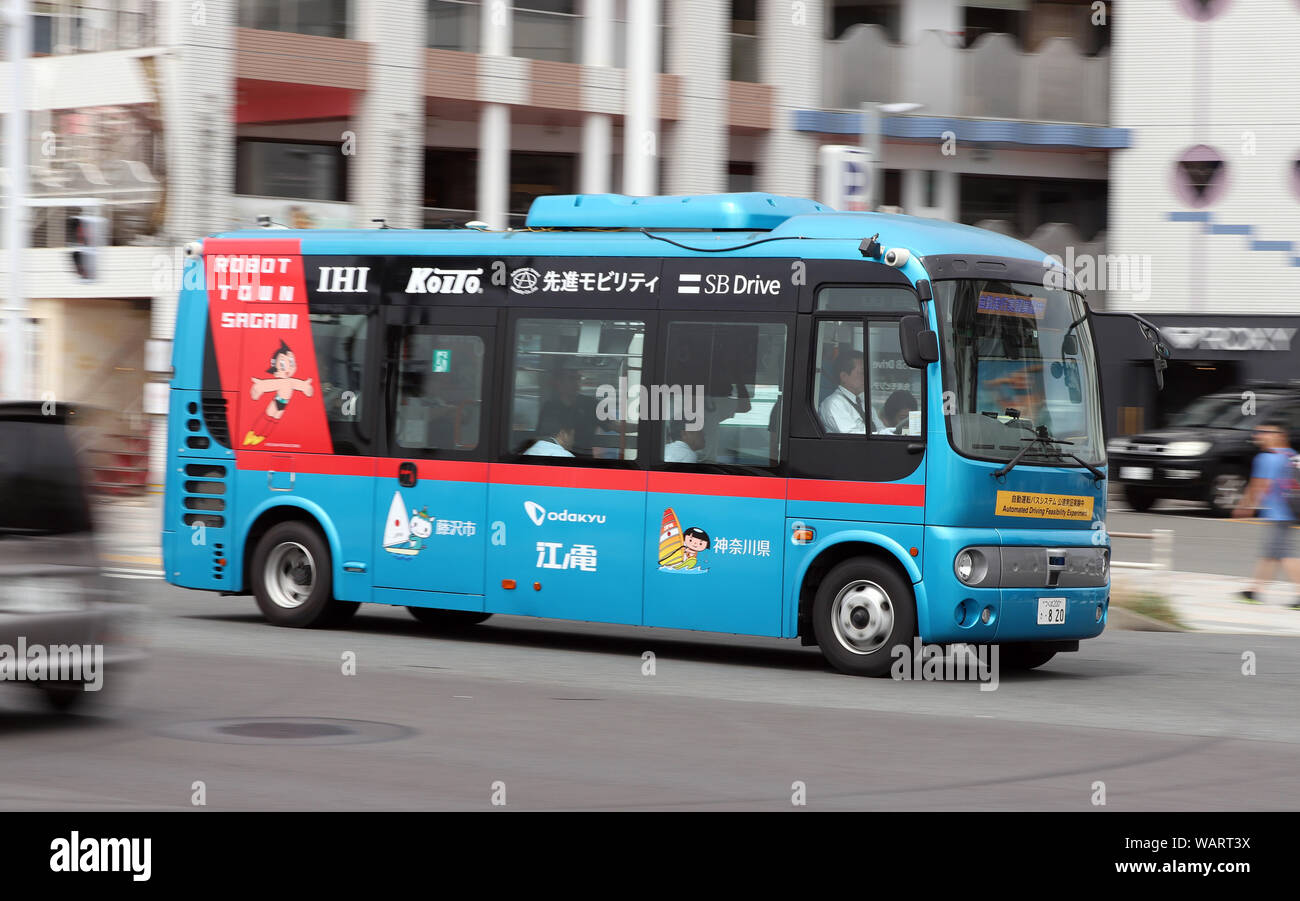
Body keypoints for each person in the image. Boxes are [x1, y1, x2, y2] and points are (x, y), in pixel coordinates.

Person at [1233, 419, 1300, 608]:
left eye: (1264, 432)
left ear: (1279, 436)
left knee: (1284, 553)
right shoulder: (1292, 455)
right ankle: (1255, 591)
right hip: (1292, 510)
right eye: (1258, 432)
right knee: (1270, 553)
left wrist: (1245, 505)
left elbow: (1259, 485)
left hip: (1280, 512)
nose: (1258, 436)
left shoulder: (1267, 457)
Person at [819, 351, 873, 434]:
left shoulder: (863, 401)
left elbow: (880, 429)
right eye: (862, 373)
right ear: (844, 376)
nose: (867, 377)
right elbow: (854, 436)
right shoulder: (834, 403)